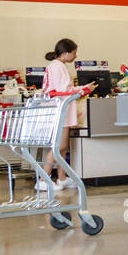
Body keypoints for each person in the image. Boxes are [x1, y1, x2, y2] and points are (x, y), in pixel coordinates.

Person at [39, 38, 80, 190]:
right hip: (58, 109)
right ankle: (43, 179)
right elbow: (64, 90)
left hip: (61, 109)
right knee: (59, 146)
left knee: (63, 147)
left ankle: (62, 178)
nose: (75, 56)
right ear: (65, 53)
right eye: (74, 53)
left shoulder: (56, 65)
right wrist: (81, 89)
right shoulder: (58, 66)